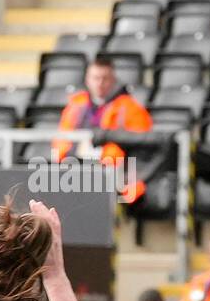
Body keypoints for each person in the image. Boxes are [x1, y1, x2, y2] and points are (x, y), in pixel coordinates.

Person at [51, 57, 152, 204]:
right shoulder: (76, 104)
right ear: (87, 79)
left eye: (105, 78)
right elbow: (62, 138)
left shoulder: (130, 108)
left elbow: (142, 145)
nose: (100, 83)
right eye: (95, 78)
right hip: (75, 167)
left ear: (113, 80)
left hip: (115, 173)